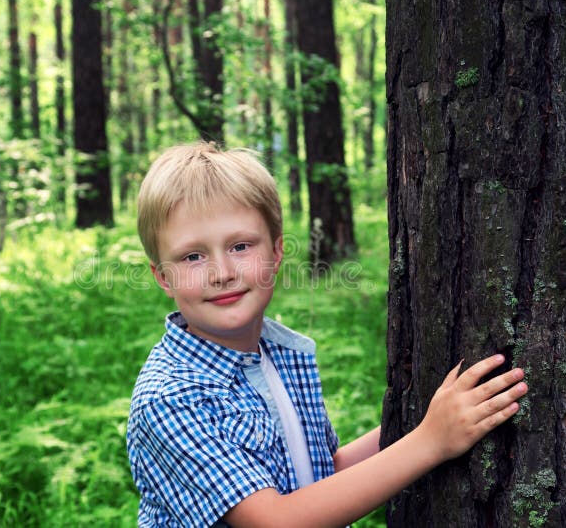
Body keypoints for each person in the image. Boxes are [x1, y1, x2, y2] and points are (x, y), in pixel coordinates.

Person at [126, 142, 528, 527]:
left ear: (277, 252)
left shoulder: (276, 355)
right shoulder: (170, 397)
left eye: (241, 246)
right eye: (193, 256)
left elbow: (317, 476)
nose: (222, 272)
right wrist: (429, 441)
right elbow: (276, 519)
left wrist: (421, 424)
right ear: (163, 275)